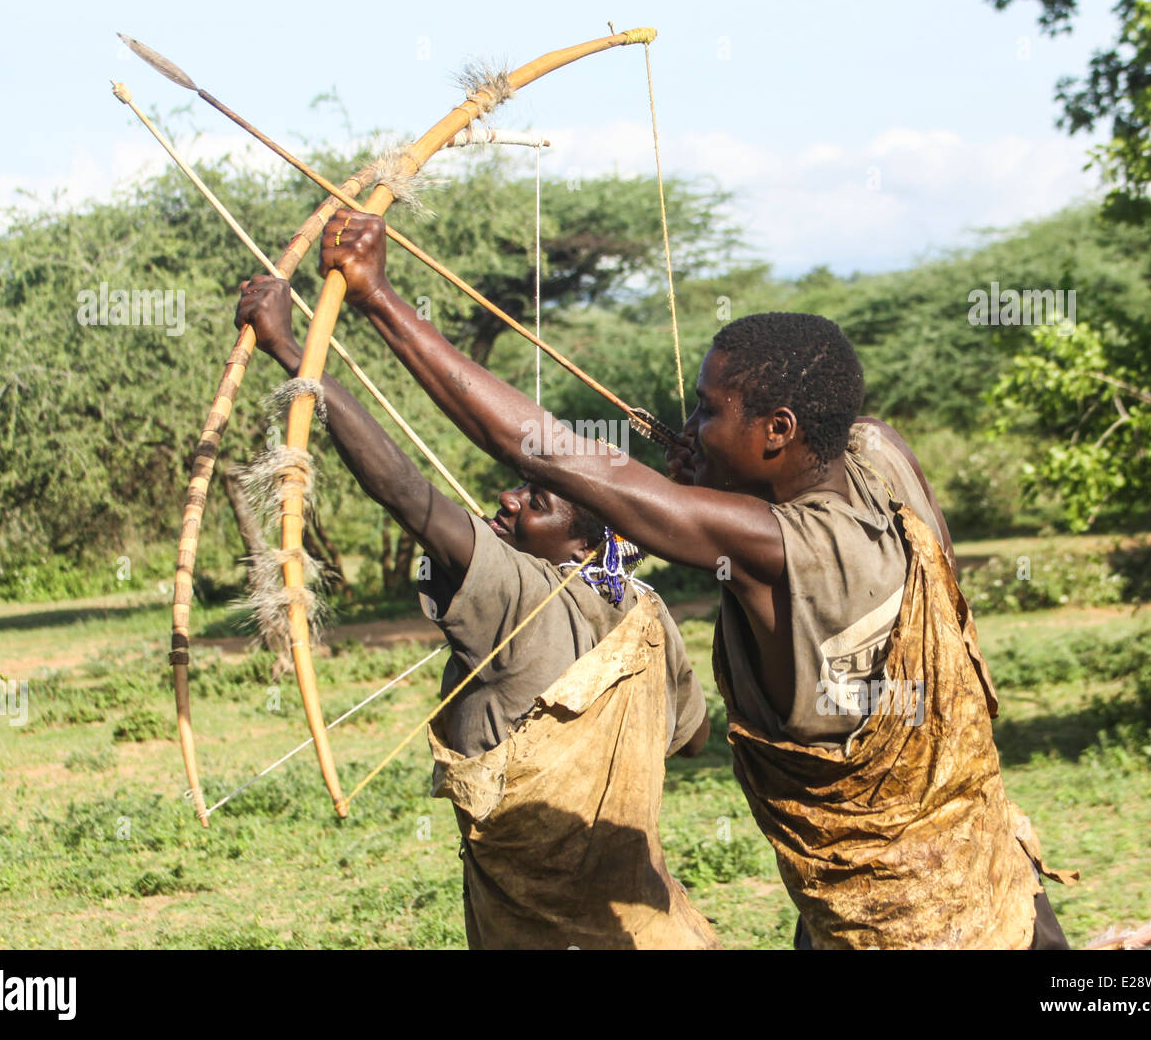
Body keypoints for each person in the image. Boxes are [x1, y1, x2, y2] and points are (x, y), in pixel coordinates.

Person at [317, 207, 1075, 950]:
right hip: (1001, 885)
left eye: (710, 410)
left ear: (778, 431)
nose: (694, 424)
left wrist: (378, 298)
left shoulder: (770, 550)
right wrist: (729, 479)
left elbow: (545, 450)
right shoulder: (882, 456)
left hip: (897, 928)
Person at [235, 275, 718, 950]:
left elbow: (408, 496)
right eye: (523, 487)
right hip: (650, 929)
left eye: (539, 501)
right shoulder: (644, 610)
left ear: (585, 543)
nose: (511, 499)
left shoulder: (523, 592)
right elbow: (692, 739)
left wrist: (293, 350)